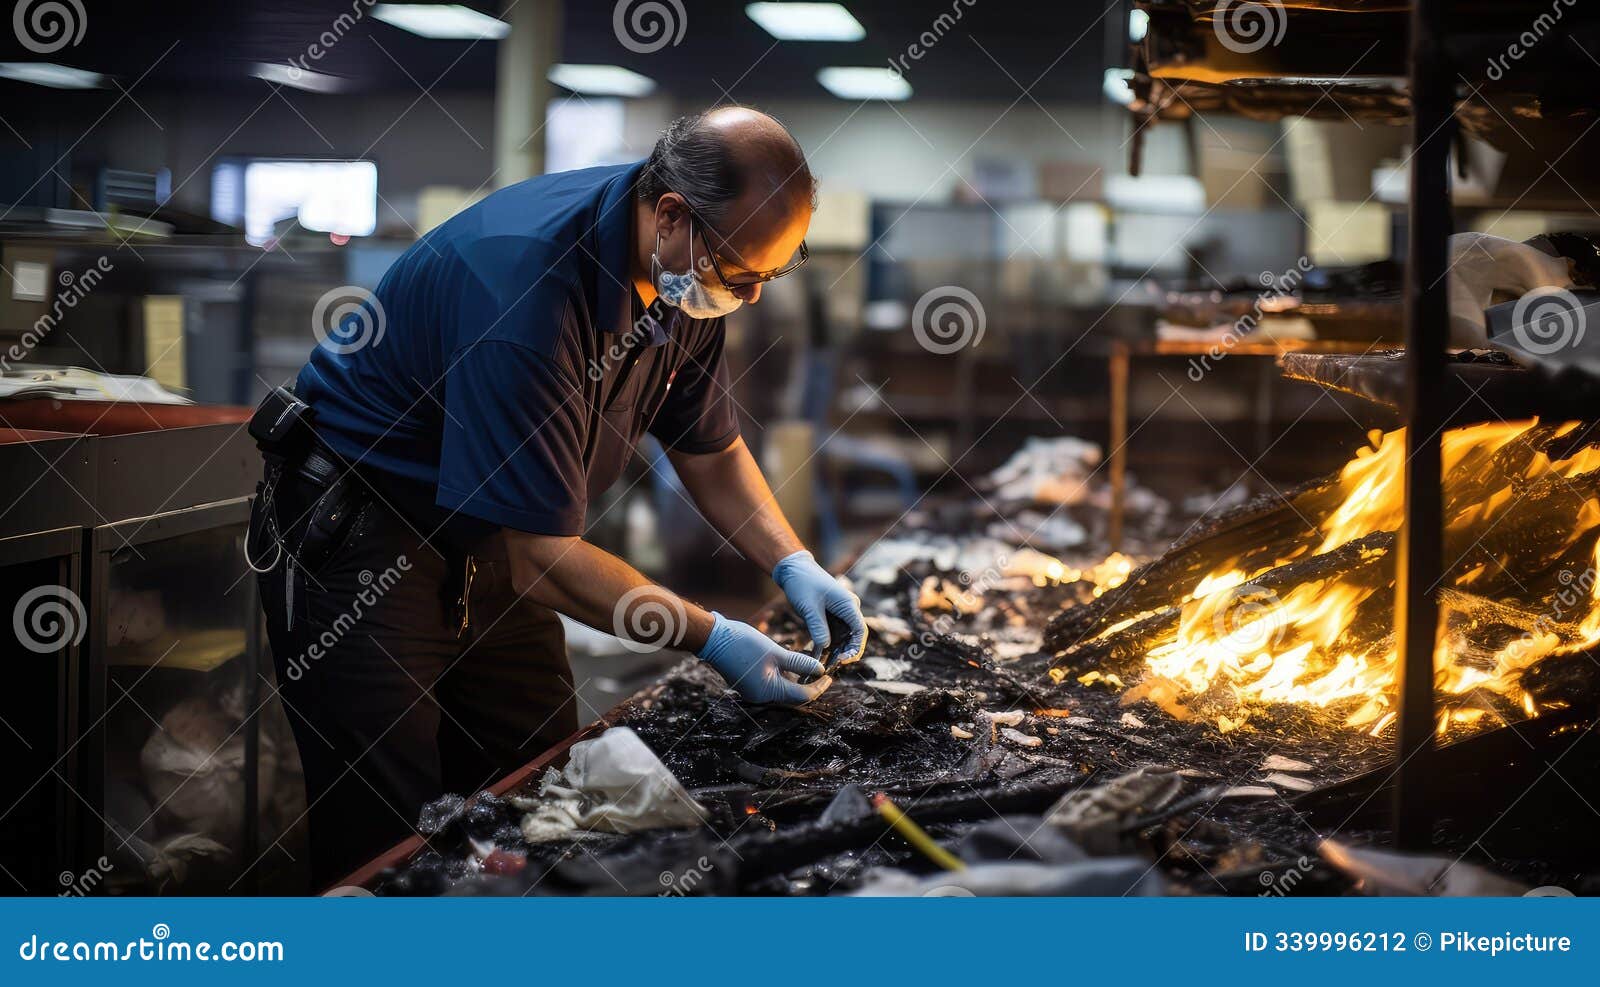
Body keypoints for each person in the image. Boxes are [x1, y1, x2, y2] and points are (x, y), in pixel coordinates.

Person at [248, 106, 867, 885]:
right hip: (365, 535)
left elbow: (709, 449)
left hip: (486, 536)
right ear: (671, 214)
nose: (744, 299)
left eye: (768, 279)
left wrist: (793, 560)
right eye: (739, 277)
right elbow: (542, 559)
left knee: (536, 774)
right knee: (389, 831)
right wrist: (714, 638)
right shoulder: (527, 290)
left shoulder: (685, 267)